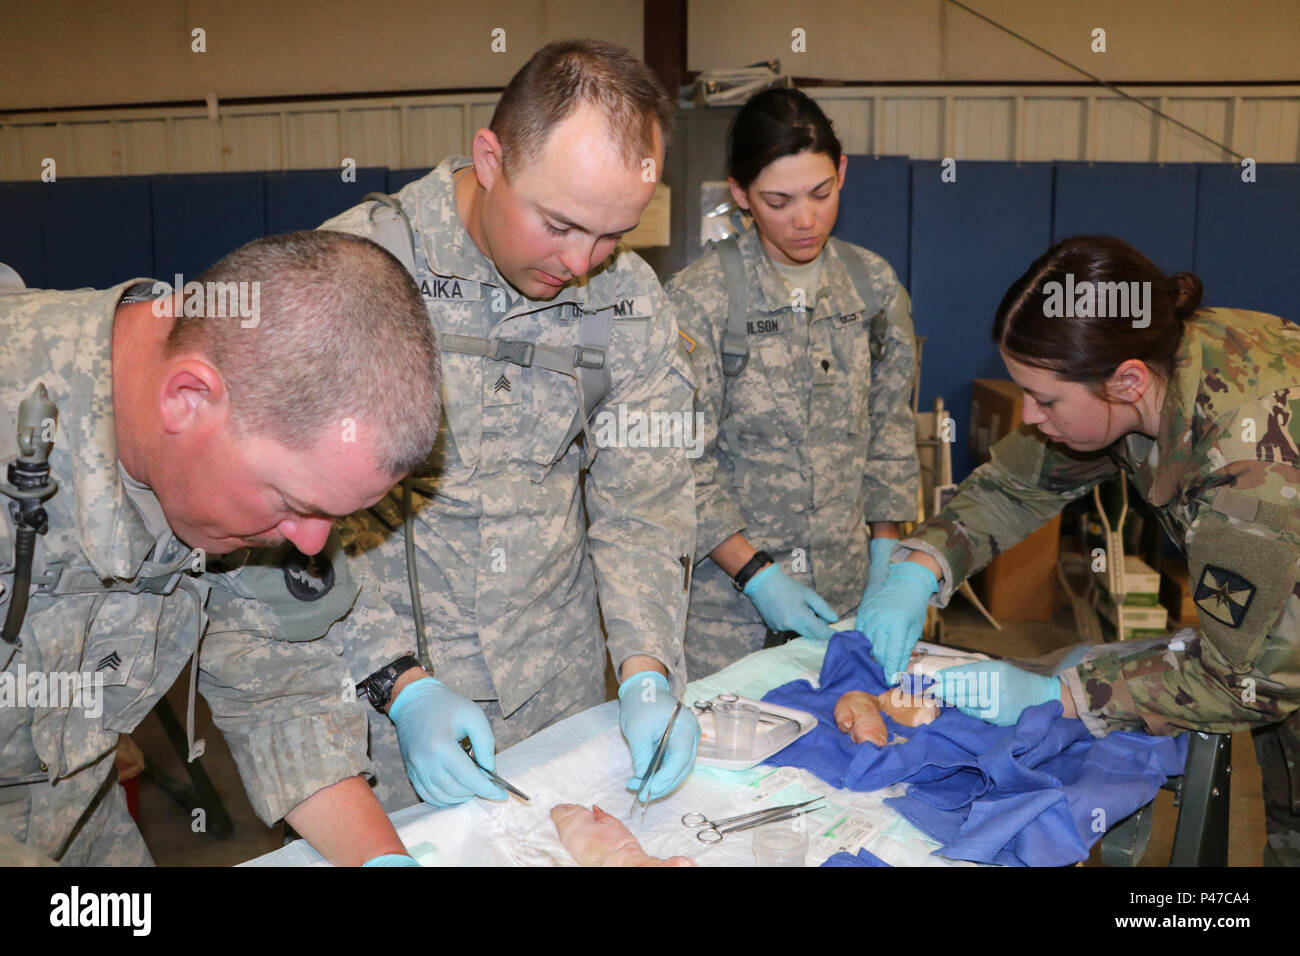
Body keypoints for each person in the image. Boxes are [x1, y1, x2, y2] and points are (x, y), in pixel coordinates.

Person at [320, 38, 701, 813]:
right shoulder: (356, 272)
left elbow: (642, 506)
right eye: (559, 224)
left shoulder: (627, 302)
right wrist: (398, 684)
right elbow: (288, 522)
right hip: (376, 714)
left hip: (554, 704)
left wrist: (646, 667)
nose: (585, 261)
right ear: (489, 158)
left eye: (613, 233)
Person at [0, 230, 456, 866]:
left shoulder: (239, 480)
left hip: (76, 816)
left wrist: (377, 858)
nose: (312, 542)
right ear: (189, 398)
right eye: (295, 504)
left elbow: (278, 687)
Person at [858, 234, 1300, 865]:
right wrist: (923, 564)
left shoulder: (1249, 465)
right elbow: (1015, 484)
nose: (1031, 417)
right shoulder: (1147, 355)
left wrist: (1067, 693)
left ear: (1126, 381)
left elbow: (1253, 679)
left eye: (1046, 400)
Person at [665, 88, 919, 678]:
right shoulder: (701, 300)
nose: (805, 219)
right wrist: (757, 574)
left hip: (849, 594)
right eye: (777, 200)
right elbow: (677, 460)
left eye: (821, 193)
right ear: (740, 195)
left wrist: (887, 548)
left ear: (842, 173)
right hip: (728, 613)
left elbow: (890, 430)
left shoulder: (872, 287)